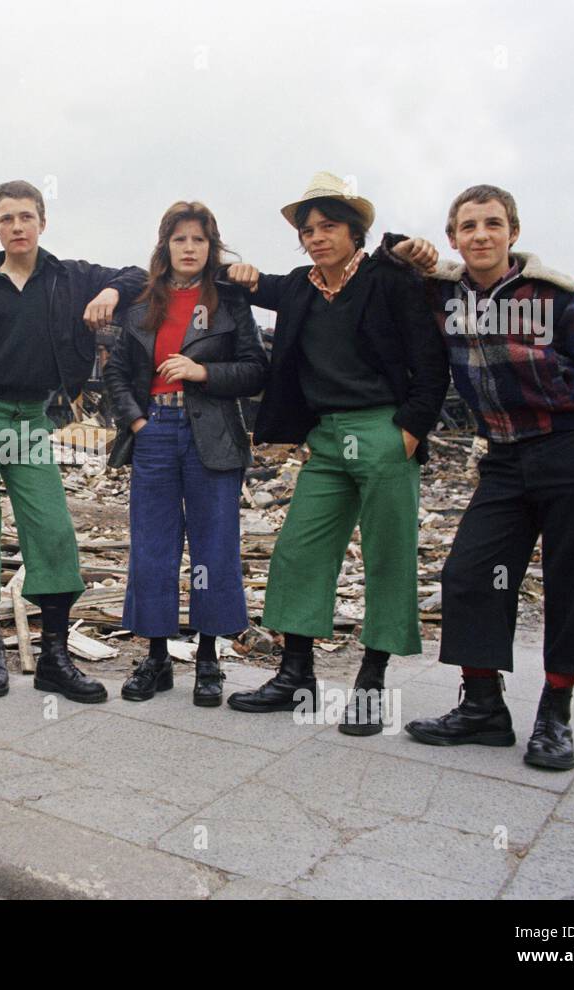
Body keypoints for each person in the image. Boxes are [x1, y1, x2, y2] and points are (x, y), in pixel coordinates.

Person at [383, 184, 574, 770]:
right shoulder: (442, 294)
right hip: (502, 457)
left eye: (492, 224)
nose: (481, 235)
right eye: (468, 226)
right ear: (453, 237)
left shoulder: (558, 297)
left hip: (571, 451)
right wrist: (411, 249)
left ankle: (555, 715)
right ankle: (482, 708)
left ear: (513, 234)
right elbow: (389, 260)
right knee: (470, 574)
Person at [225, 172, 449, 733]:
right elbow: (226, 273)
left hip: (384, 431)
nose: (317, 237)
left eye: (329, 227)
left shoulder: (388, 279)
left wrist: (410, 432)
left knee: (388, 558)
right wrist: (240, 270)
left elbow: (431, 362)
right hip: (325, 439)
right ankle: (295, 673)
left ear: (356, 232)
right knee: (299, 550)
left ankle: (370, 685)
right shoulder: (299, 286)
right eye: (308, 230)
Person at [0, 179, 146, 701]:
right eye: (6, 219)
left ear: (42, 222)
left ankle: (52, 657)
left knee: (50, 532)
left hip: (30, 421)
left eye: (26, 216)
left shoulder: (69, 278)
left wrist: (111, 293)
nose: (17, 226)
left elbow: (138, 274)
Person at [102, 201, 267, 706]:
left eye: (199, 239)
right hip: (154, 430)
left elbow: (257, 369)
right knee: (153, 545)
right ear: (165, 246)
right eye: (180, 239)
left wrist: (203, 373)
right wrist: (136, 419)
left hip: (212, 432)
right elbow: (114, 371)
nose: (189, 248)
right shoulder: (141, 303)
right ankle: (156, 657)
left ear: (210, 246)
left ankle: (210, 660)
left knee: (214, 546)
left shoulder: (230, 302)